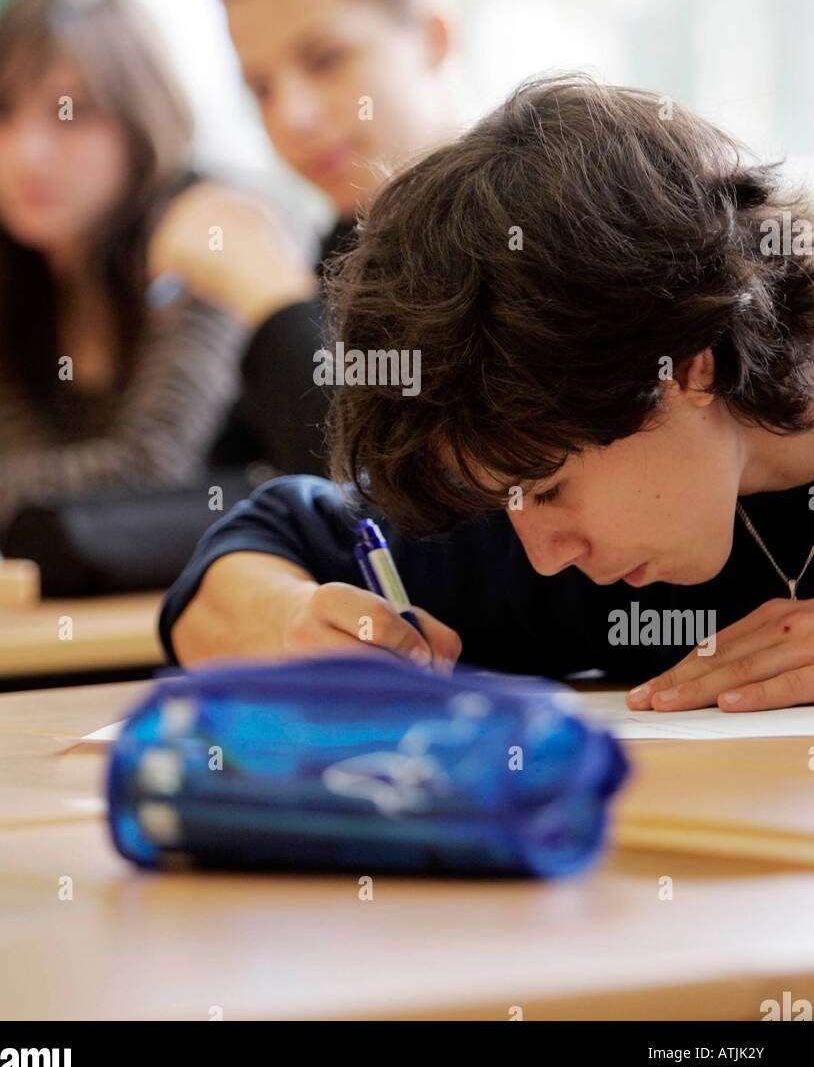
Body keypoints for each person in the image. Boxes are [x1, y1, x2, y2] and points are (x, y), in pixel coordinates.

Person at [160, 73, 814, 714]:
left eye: (554, 487)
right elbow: (265, 543)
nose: (547, 557)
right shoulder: (535, 501)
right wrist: (291, 626)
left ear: (689, 368)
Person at [0, 0, 249, 544]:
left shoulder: (210, 238)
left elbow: (146, 476)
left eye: (71, 112)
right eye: (1, 112)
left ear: (144, 120)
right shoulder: (3, 271)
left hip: (247, 611)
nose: (30, 152)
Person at [149, 0, 462, 475]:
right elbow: (237, 486)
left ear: (433, 39)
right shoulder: (343, 249)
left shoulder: (524, 240)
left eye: (325, 58)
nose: (292, 117)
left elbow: (383, 495)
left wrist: (274, 302)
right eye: (260, 88)